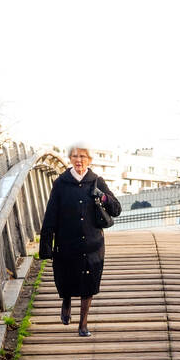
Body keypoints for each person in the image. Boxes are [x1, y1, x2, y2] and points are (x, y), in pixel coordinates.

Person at [39, 142, 121, 337]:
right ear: (70, 159)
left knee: (89, 282)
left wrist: (103, 198)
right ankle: (66, 300)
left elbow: (116, 209)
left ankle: (83, 324)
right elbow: (51, 214)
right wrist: (46, 246)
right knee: (66, 277)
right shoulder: (60, 183)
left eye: (83, 157)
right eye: (75, 156)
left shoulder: (96, 181)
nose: (79, 160)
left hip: (93, 243)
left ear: (89, 160)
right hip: (66, 242)